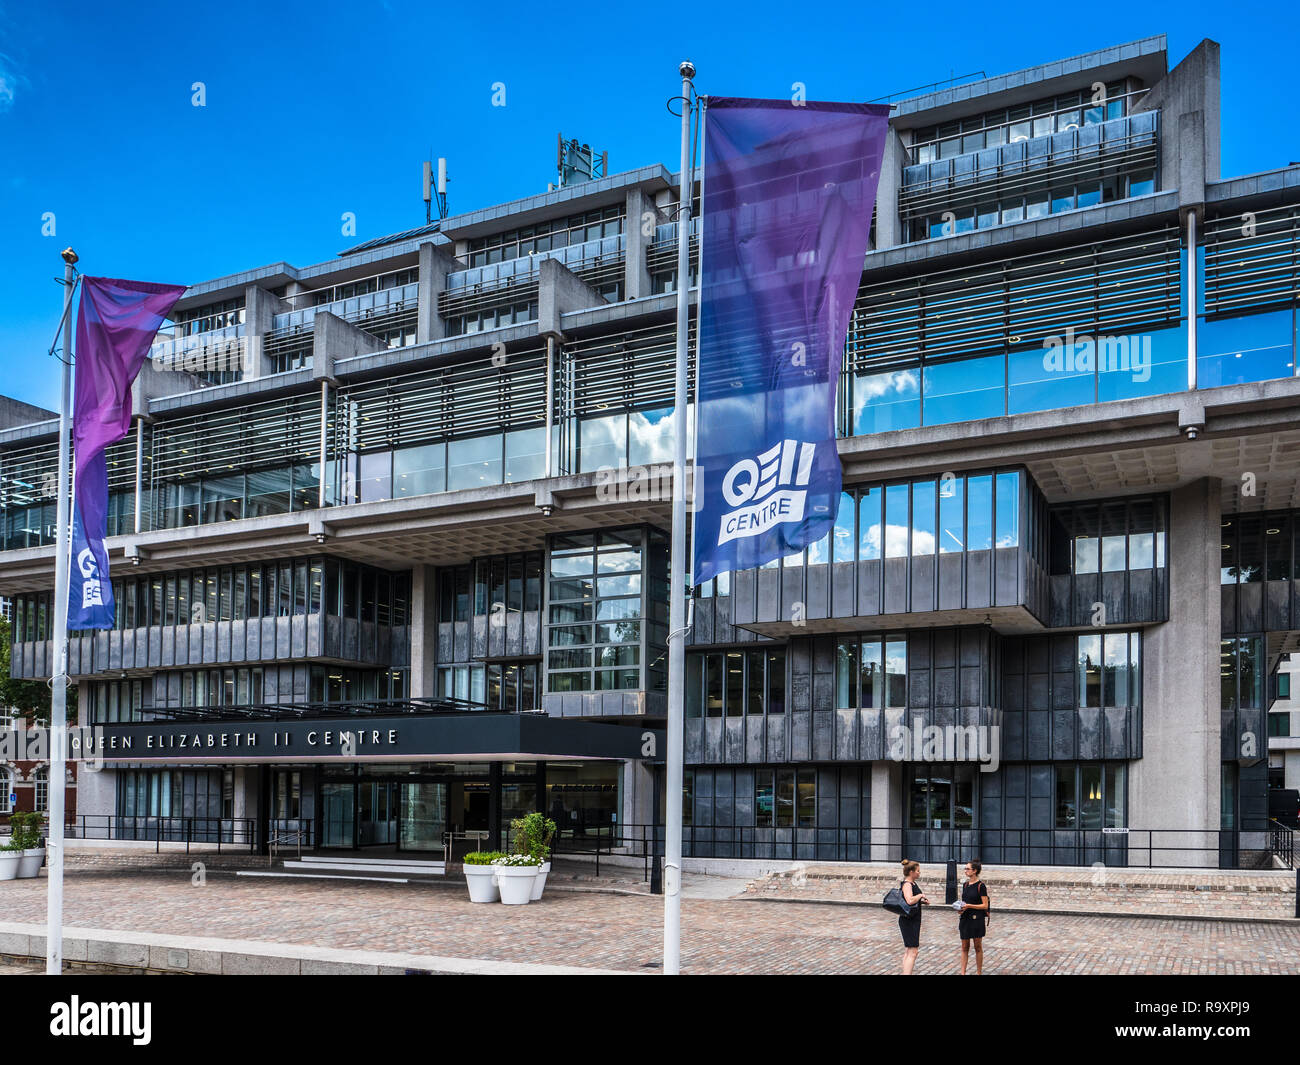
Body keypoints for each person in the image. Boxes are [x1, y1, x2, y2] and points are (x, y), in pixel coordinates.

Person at [956, 859, 990, 975]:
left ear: (974, 871)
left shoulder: (981, 886)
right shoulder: (965, 885)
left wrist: (969, 906)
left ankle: (979, 972)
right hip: (965, 919)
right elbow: (964, 901)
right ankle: (962, 973)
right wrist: (960, 909)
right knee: (964, 947)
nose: (965, 871)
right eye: (965, 868)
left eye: (967, 869)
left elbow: (985, 905)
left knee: (977, 947)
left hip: (977, 919)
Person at [897, 858, 929, 974]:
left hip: (913, 920)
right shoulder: (907, 884)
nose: (919, 873)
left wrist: (921, 901)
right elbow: (910, 900)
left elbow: (911, 901)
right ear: (911, 872)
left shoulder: (912, 883)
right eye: (918, 871)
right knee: (913, 951)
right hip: (909, 921)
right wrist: (920, 895)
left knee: (909, 951)